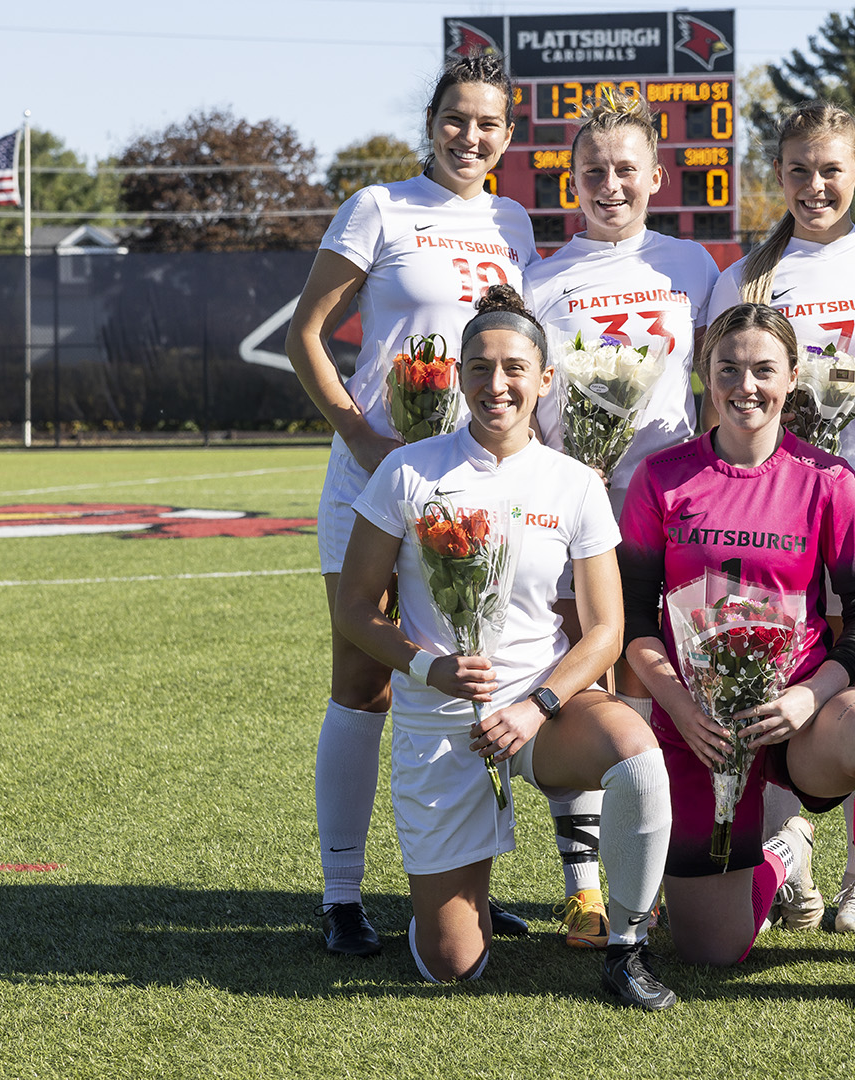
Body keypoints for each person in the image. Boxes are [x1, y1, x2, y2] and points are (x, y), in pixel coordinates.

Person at [333, 286, 677, 1009]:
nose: (498, 384)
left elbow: (606, 630)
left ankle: (628, 949)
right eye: (481, 368)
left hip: (544, 712)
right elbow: (355, 609)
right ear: (458, 376)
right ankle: (460, 899)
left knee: (638, 755)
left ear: (545, 380)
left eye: (515, 368)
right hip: (443, 719)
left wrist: (537, 703)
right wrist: (429, 666)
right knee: (453, 966)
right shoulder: (408, 470)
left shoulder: (575, 483)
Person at [285, 53, 539, 957]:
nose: (470, 136)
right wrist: (363, 438)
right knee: (364, 682)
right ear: (430, 124)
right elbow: (305, 334)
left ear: (507, 138)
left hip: (471, 492)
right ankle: (341, 896)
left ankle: (467, 888)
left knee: (473, 671)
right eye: (455, 118)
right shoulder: (379, 207)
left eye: (488, 123)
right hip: (377, 481)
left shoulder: (513, 223)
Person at [618, 302, 855, 1008]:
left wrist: (808, 697)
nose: (745, 386)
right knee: (709, 950)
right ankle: (786, 852)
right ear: (705, 374)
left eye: (764, 369)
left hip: (797, 721)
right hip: (699, 726)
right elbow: (635, 622)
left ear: (791, 378)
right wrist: (683, 710)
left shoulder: (830, 480)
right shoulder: (661, 478)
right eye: (728, 369)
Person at [705, 100, 855, 934]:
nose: (814, 185)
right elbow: (721, 401)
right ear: (778, 173)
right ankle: (786, 850)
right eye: (797, 169)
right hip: (780, 520)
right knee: (775, 683)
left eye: (831, 169)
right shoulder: (744, 278)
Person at [524, 87, 722, 948]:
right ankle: (584, 888)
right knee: (586, 694)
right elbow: (525, 405)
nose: (611, 186)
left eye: (626, 170)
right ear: (571, 181)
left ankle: (658, 873)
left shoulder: (694, 268)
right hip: (574, 520)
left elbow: (719, 387)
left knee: (661, 691)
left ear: (657, 176)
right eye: (594, 172)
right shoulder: (541, 279)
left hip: (670, 519)